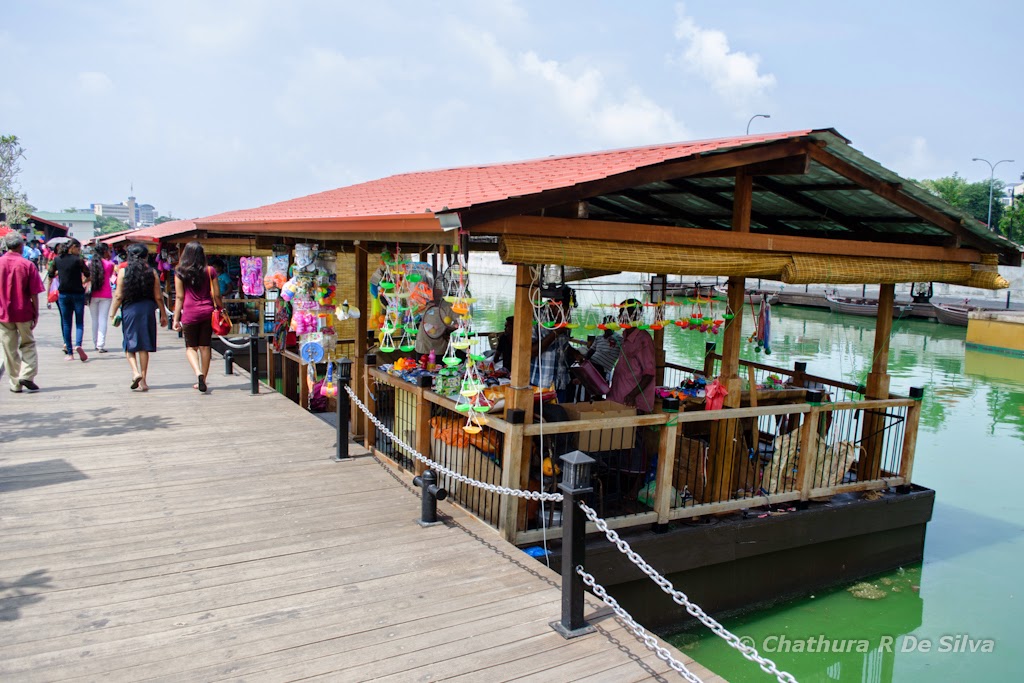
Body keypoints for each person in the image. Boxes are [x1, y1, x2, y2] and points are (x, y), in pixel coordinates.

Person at [110, 243, 167, 390]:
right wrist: (163, 314)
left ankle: (135, 372)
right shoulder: (152, 272)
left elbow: (118, 295)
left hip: (130, 309)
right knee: (144, 345)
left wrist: (112, 312)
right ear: (145, 257)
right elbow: (158, 296)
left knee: (130, 343)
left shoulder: (123, 272)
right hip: (148, 309)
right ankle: (144, 381)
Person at [171, 241, 222, 393]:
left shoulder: (180, 271)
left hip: (189, 313)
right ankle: (204, 378)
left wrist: (175, 319)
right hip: (207, 311)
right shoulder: (210, 270)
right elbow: (216, 294)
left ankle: (198, 373)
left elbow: (179, 297)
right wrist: (221, 308)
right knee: (205, 346)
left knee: (191, 347)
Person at [0, 232, 45, 393]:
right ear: (21, 246)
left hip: (3, 313)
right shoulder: (27, 265)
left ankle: (15, 383)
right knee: (28, 343)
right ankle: (26, 374)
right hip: (24, 311)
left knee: (8, 348)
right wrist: (36, 312)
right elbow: (34, 292)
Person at [607, 299, 656, 413]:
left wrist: (632, 395)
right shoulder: (625, 335)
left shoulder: (644, 339)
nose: (619, 316)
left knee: (632, 431)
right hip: (617, 398)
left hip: (633, 403)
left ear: (633, 316)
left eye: (622, 313)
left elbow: (649, 374)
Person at [47, 237, 89, 361]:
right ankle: (78, 345)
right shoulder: (79, 260)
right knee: (79, 322)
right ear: (72, 248)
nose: (79, 251)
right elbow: (87, 274)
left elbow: (50, 274)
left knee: (66, 322)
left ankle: (70, 353)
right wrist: (82, 280)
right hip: (78, 294)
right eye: (78, 248)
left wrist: (59, 273)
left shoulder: (57, 260)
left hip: (64, 294)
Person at [530, 301, 572, 403]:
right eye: (564, 310)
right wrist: (556, 332)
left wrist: (575, 354)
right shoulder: (536, 317)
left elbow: (563, 345)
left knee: (558, 415)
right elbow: (531, 351)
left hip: (561, 382)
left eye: (568, 310)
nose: (566, 314)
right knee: (539, 416)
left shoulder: (565, 319)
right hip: (539, 382)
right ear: (554, 305)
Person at [87, 243, 116, 352]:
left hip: (92, 294)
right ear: (104, 251)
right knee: (103, 319)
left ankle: (95, 343)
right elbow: (110, 276)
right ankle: (101, 345)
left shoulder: (90, 264)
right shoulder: (110, 265)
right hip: (106, 294)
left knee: (94, 319)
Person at [585, 316, 622, 380]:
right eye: (606, 324)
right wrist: (584, 361)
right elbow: (591, 351)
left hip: (603, 370)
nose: (608, 327)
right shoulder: (599, 337)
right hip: (592, 364)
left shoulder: (619, 339)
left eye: (610, 324)